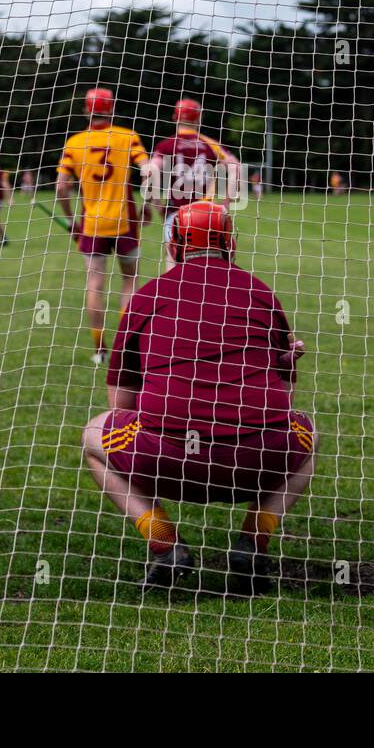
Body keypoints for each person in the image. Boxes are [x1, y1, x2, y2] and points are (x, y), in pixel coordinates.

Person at [82, 201, 314, 590]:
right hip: (255, 461)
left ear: (173, 247)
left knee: (93, 435)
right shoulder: (261, 293)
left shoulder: (148, 295)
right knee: (309, 434)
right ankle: (253, 544)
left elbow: (119, 404)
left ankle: (165, 544)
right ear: (231, 245)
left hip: (166, 461)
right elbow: (283, 400)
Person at [56, 87, 152, 364]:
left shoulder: (74, 142)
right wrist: (147, 206)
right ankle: (126, 347)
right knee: (130, 280)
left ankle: (100, 349)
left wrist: (72, 219)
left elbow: (62, 186)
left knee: (95, 284)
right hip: (124, 221)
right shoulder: (127, 136)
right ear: (111, 109)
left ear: (86, 110)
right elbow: (149, 171)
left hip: (92, 223)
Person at [145, 97, 241, 272]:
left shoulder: (167, 144)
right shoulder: (210, 144)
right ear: (198, 119)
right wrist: (225, 204)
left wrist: (155, 203)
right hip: (208, 217)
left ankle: (175, 299)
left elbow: (150, 171)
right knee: (209, 268)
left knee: (174, 262)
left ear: (175, 118)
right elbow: (236, 168)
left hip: (177, 215)